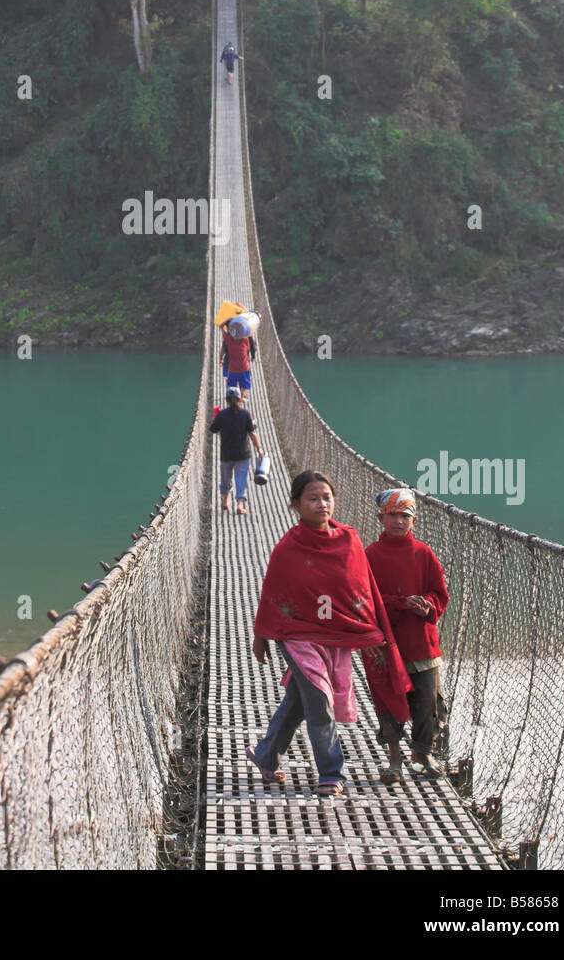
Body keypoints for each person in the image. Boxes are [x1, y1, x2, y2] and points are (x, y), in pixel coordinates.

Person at [248, 471, 412, 797]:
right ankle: (330, 772)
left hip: (336, 636)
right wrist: (261, 633)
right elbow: (274, 593)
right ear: (295, 504)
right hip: (297, 636)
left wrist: (369, 632)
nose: (322, 504)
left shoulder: (348, 540)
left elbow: (362, 590)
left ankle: (266, 754)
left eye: (327, 497)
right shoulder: (287, 548)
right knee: (320, 701)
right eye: (312, 498)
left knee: (300, 698)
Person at [366, 488, 449, 782]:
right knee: (389, 700)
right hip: (386, 644)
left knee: (429, 701)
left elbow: (439, 593)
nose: (398, 521)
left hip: (422, 644)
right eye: (392, 515)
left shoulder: (423, 553)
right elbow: (365, 599)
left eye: (405, 516)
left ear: (414, 521)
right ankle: (394, 758)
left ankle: (421, 754)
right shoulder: (370, 555)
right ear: (380, 518)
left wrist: (427, 604)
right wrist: (400, 603)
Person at [210, 387, 264, 515]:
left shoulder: (221, 415)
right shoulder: (246, 414)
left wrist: (217, 419)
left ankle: (225, 501)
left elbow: (213, 429)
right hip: (243, 453)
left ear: (226, 401)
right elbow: (252, 433)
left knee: (225, 478)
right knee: (241, 478)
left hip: (226, 454)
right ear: (240, 400)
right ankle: (240, 505)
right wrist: (259, 449)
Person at [219, 316, 258, 400]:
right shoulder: (245, 339)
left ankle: (234, 398)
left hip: (233, 369)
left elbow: (221, 326)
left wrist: (229, 319)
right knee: (244, 386)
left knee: (231, 385)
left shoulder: (228, 339)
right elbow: (248, 347)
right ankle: (242, 397)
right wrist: (239, 322)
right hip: (244, 368)